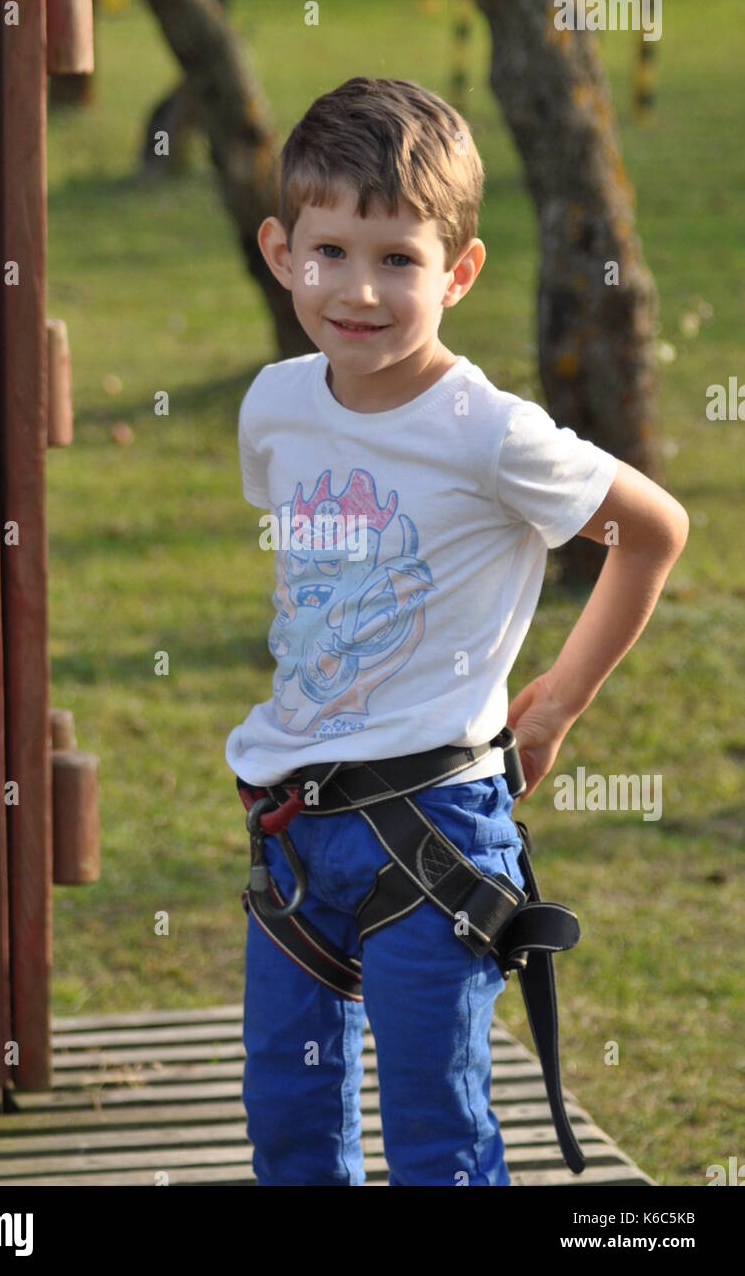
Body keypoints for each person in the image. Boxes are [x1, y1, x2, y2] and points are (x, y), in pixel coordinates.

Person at [224, 76, 689, 1186]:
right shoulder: (275, 406)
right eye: (329, 251)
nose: (358, 290)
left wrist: (560, 698)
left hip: (430, 826)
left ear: (458, 271)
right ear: (280, 248)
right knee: (287, 1119)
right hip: (293, 826)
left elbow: (652, 530)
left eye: (398, 259)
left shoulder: (490, 432)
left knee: (436, 1126)